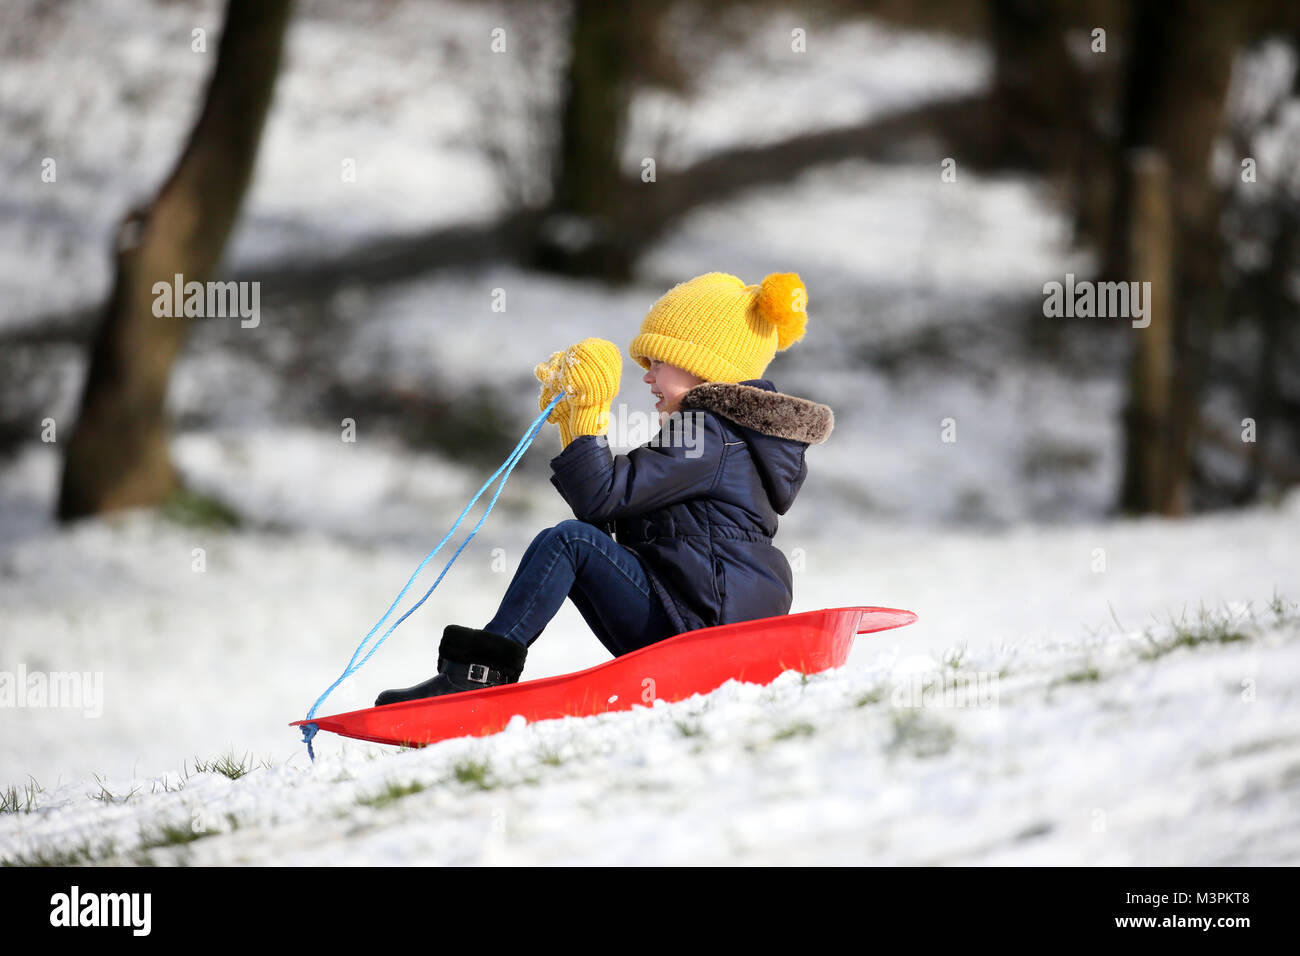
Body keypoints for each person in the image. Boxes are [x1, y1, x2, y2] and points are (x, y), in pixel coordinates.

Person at [375, 271, 834, 706]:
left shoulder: (705, 433)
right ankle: (479, 672)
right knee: (574, 545)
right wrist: (577, 419)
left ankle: (479, 674)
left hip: (702, 626)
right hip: (710, 619)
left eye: (657, 361)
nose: (648, 376)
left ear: (703, 363)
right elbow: (604, 513)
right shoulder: (723, 436)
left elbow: (599, 500)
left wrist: (590, 416)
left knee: (569, 542)